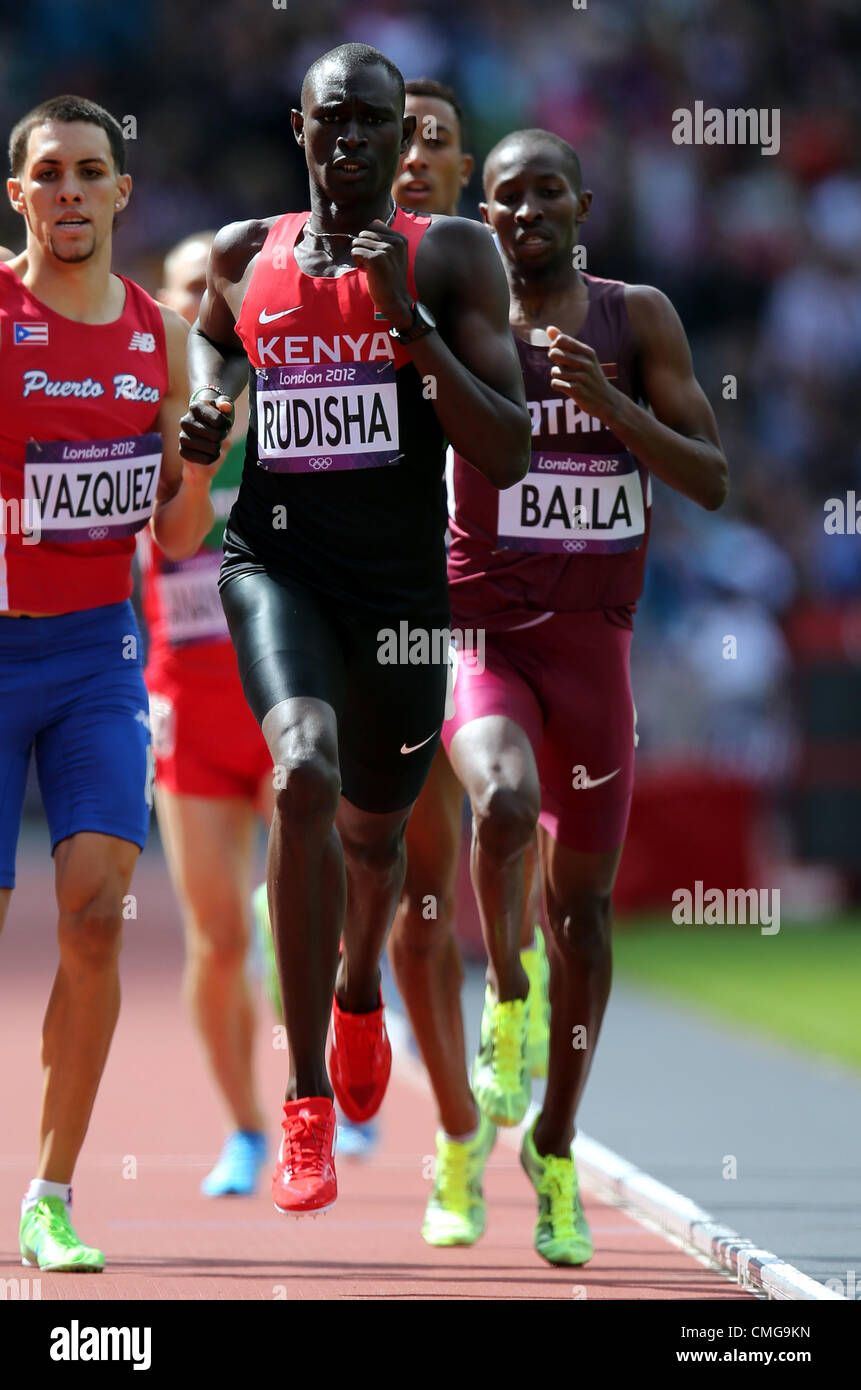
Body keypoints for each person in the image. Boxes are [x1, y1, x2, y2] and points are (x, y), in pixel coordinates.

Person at [179, 42, 530, 1217]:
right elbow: (216, 331)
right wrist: (210, 397)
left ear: (404, 139)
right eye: (332, 119)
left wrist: (408, 325)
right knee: (304, 773)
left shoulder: (456, 255)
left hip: (403, 602)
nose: (353, 140)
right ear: (300, 126)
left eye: (376, 123)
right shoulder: (248, 251)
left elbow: (509, 447)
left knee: (377, 844)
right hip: (275, 564)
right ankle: (307, 1101)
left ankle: (360, 989)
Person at [403, 127, 729, 1264]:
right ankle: (507, 1000)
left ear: (583, 203)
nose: (526, 210)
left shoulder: (636, 318)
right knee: (499, 800)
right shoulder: (453, 314)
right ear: (480, 217)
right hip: (486, 635)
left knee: (586, 916)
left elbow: (714, 477)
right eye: (504, 197)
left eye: (547, 191)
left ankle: (554, 1145)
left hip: (598, 655)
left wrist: (615, 409)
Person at [0, 95, 201, 1270]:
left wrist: (193, 456)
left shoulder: (160, 336)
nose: (69, 191)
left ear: (123, 192)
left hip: (94, 655)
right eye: (47, 175)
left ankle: (50, 1190)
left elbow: (177, 537)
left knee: (93, 915)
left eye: (91, 171)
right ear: (19, 195)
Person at [389, 80, 551, 1248]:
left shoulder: (500, 299)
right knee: (417, 900)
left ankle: (519, 992)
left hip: (489, 623)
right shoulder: (323, 284)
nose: (405, 158)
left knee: (507, 822)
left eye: (431, 143)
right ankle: (456, 1136)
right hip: (390, 624)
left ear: (464, 177)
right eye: (389, 140)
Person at [138, 231, 273, 1196]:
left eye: (213, 291)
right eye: (183, 291)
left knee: (334, 914)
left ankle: (329, 1065)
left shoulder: (281, 415)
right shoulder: (137, 414)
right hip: (188, 706)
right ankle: (243, 1128)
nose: (199, 308)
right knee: (219, 940)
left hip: (285, 694)